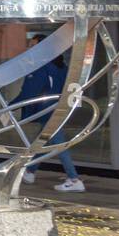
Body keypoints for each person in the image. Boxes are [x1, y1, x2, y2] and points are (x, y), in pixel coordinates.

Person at [19, 51, 85, 192]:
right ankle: (30, 172)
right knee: (43, 141)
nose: (30, 49)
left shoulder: (43, 67)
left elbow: (31, 90)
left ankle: (74, 179)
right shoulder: (63, 67)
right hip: (59, 108)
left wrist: (13, 104)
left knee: (58, 144)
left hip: (48, 111)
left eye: (34, 46)